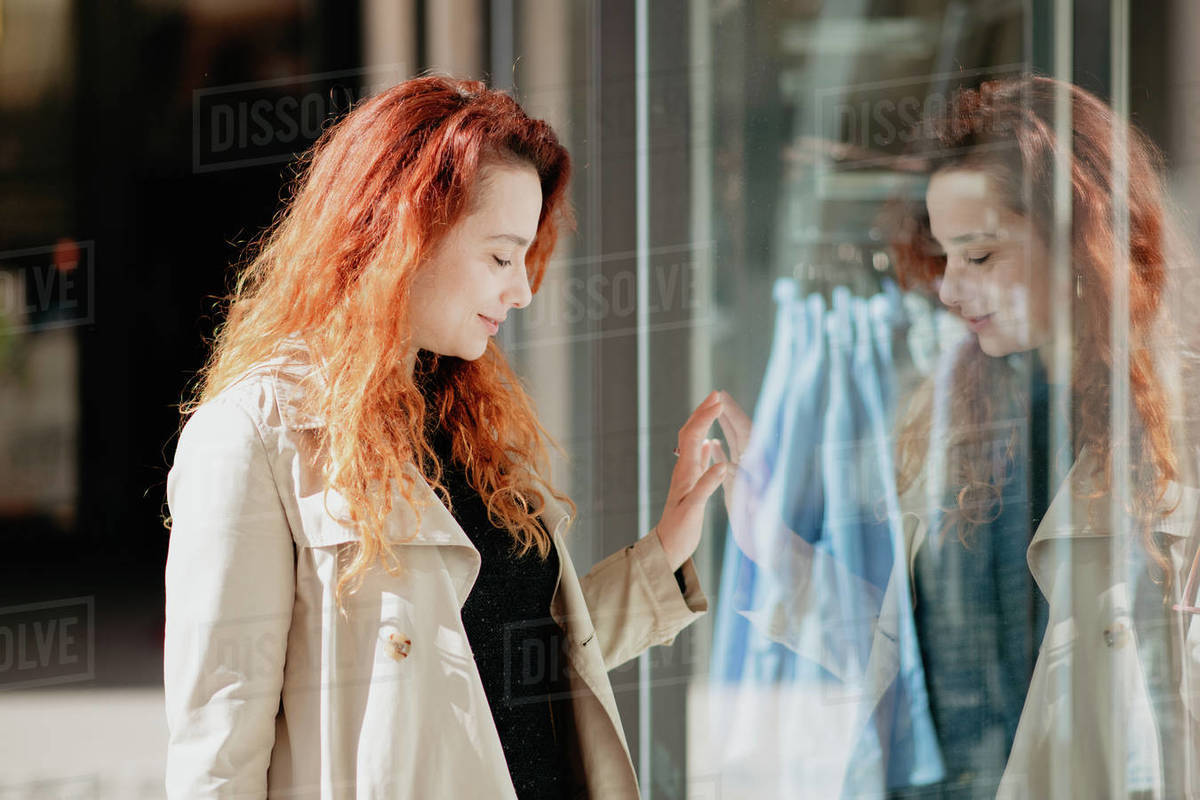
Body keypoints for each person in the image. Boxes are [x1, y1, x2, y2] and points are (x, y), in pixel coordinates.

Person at [162, 75, 734, 799]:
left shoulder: (465, 417)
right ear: (404, 234)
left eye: (526, 257)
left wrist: (664, 555)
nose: (523, 290)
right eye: (500, 257)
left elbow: (504, 656)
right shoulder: (252, 436)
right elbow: (218, 749)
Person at [721, 75, 1200, 798]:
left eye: (979, 256)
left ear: (1082, 244)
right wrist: (773, 546)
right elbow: (910, 669)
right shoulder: (961, 420)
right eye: (944, 256)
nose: (946, 288)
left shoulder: (1176, 430)